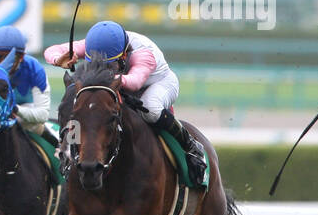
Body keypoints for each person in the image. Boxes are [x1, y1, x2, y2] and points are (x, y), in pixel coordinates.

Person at [44, 20, 208, 187]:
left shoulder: (144, 54)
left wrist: (102, 80)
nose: (103, 68)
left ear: (123, 55)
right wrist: (59, 59)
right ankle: (67, 151)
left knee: (150, 109)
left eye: (110, 64)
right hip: (119, 84)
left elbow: (135, 82)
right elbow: (51, 50)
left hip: (156, 84)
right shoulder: (95, 43)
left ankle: (190, 145)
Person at [0, 26, 55, 144]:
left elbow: (43, 115)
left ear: (21, 57)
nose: (2, 63)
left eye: (10, 58)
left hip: (24, 114)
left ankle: (59, 149)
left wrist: (14, 109)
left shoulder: (35, 69)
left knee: (33, 125)